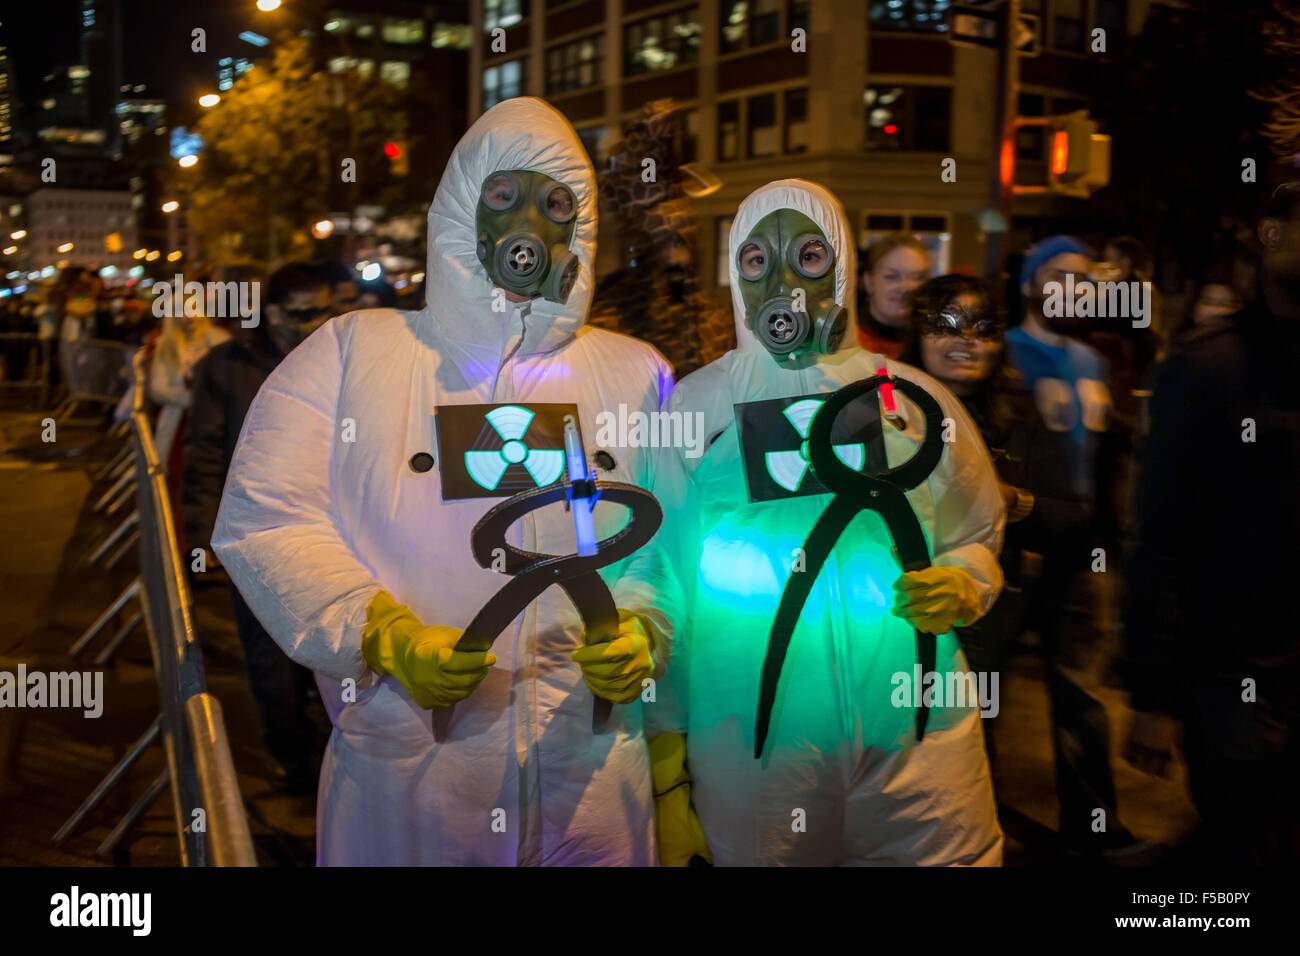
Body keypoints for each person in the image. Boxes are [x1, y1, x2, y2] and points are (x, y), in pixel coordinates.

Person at [212, 97, 679, 866]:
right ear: (461, 208)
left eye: (556, 201)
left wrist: (645, 626)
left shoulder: (635, 371)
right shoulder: (354, 354)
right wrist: (378, 632)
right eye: (504, 196)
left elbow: (670, 535)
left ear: (582, 225)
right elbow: (269, 518)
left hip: (591, 771)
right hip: (409, 768)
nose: (529, 220)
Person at [650, 180, 1005, 866]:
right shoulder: (697, 407)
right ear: (733, 273)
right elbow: (660, 578)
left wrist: (964, 581)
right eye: (757, 262)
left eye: (808, 256)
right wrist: (667, 767)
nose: (783, 280)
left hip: (918, 722)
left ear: (841, 264)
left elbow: (974, 530)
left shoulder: (910, 400)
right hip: (755, 734)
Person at [1124, 183, 1300, 865]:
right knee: (1247, 842)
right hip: (1231, 683)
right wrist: (1151, 691)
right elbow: (1158, 537)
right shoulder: (1205, 367)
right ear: (1273, 233)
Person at [1005, 236, 1149, 860]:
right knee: (977, 691)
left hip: (1083, 549)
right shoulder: (1001, 353)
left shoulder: (1097, 361)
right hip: (1009, 546)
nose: (1074, 289)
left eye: (1084, 280)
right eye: (1058, 276)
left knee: (1080, 693)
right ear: (1031, 285)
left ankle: (1095, 831)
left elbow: (1114, 458)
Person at [184, 262, 330, 794]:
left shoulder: (331, 358)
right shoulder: (227, 367)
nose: (313, 322)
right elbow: (204, 454)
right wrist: (202, 538)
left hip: (328, 528)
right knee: (270, 655)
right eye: (300, 313)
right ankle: (291, 760)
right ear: (270, 311)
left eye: (321, 311)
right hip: (257, 533)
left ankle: (331, 751)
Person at [856, 232, 930, 359]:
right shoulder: (849, 341)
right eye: (892, 277)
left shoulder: (932, 346)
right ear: (868, 282)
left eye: (917, 277)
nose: (905, 287)